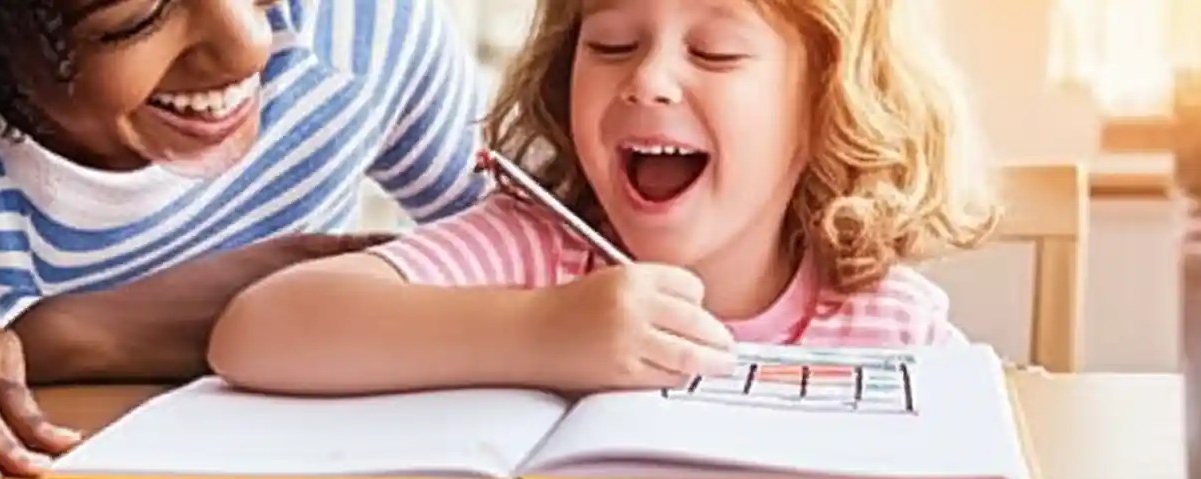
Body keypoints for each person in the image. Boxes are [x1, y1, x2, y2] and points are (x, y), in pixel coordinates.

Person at [207, 0, 1000, 396]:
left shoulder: (886, 319)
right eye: (611, 45)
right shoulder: (530, 249)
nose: (647, 80)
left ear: (826, 106)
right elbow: (257, 330)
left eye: (716, 52)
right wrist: (538, 332)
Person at [0, 0, 489, 475]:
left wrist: (64, 335)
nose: (247, 45)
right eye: (139, 18)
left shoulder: (359, 25)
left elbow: (540, 236)